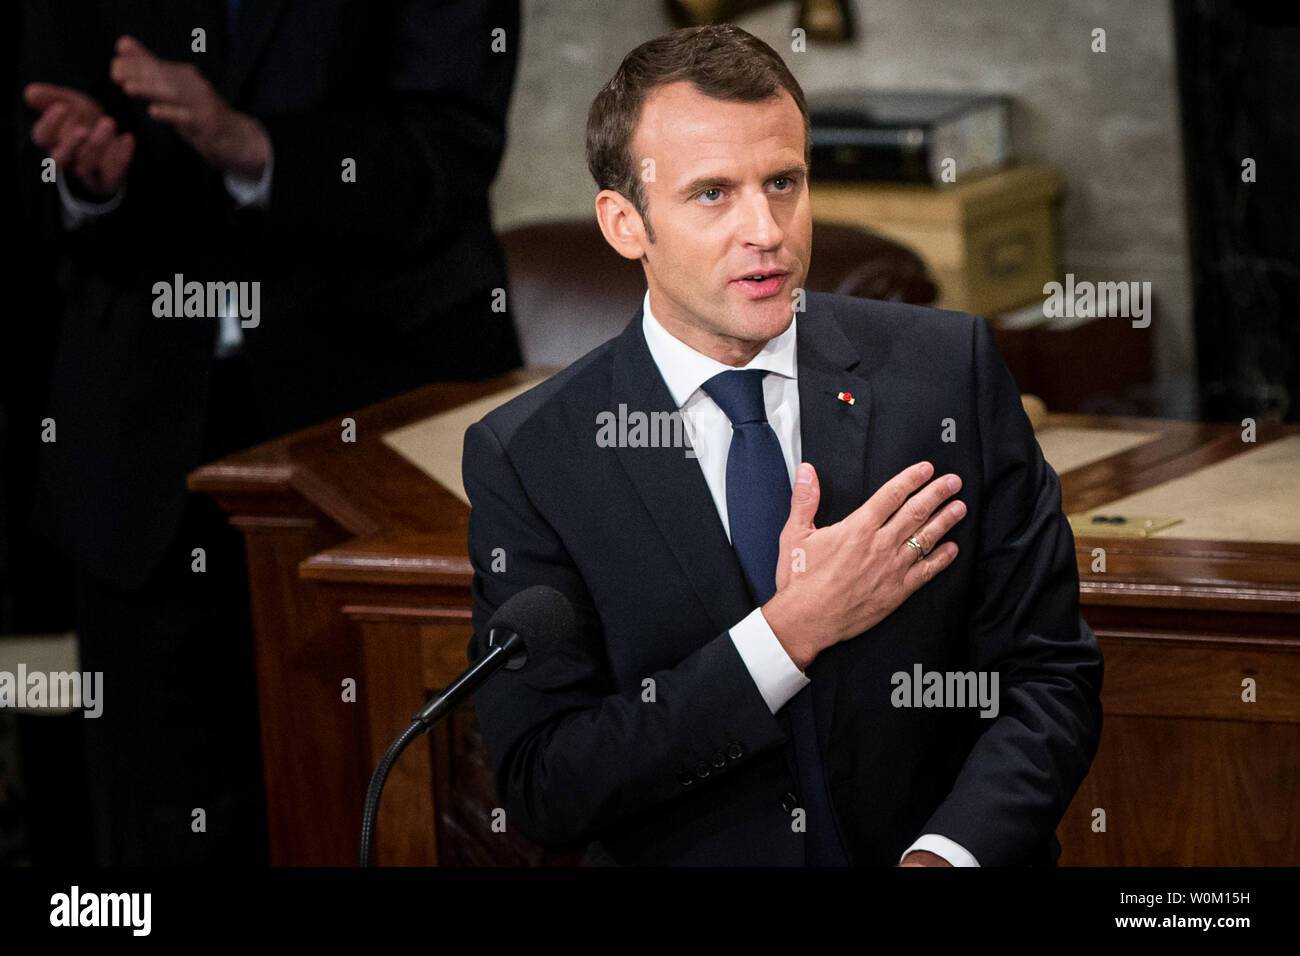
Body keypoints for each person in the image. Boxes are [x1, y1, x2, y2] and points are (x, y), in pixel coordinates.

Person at [462, 24, 1102, 866]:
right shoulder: (531, 457)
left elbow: (1049, 677)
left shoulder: (948, 374)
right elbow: (548, 783)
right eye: (712, 194)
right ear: (625, 223)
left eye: (784, 183)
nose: (766, 229)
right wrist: (784, 636)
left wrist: (948, 854)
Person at [19, 0, 522, 864]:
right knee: (155, 827)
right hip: (136, 447)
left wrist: (254, 147)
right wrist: (85, 179)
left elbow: (449, 150)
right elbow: (41, 129)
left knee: (371, 810)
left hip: (371, 432)